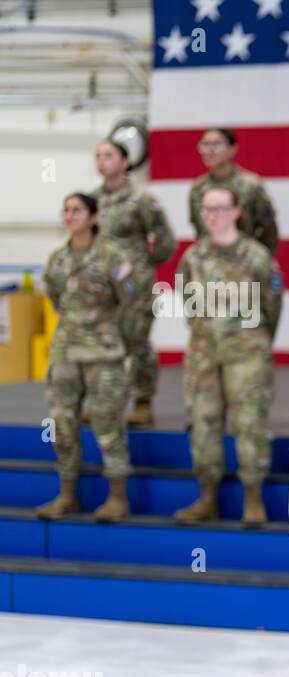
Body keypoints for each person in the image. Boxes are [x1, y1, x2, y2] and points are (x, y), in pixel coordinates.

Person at [173, 186, 283, 528]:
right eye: (207, 210)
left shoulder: (257, 256)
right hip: (204, 353)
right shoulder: (193, 257)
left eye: (220, 208)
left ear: (237, 211)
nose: (212, 216)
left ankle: (253, 498)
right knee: (203, 422)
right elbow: (187, 301)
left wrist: (253, 338)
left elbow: (272, 305)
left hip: (247, 355)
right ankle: (208, 496)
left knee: (250, 423)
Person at [35, 193, 135, 521]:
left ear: (93, 216)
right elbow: (55, 297)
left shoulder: (112, 257)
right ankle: (67, 495)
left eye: (77, 210)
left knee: (106, 422)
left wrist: (114, 335)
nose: (70, 215)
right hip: (65, 351)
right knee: (62, 423)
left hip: (104, 352)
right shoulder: (57, 260)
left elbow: (131, 301)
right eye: (66, 210)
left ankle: (117, 498)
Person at [90, 138, 176, 427]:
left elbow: (165, 238)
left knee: (136, 341)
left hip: (134, 285)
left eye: (109, 155)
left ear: (125, 162)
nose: (102, 160)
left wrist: (143, 265)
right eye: (99, 156)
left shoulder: (142, 199)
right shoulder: (92, 200)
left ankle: (142, 400)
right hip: (101, 285)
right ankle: (103, 400)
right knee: (103, 340)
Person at [188, 128, 282, 343]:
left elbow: (269, 231)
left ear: (233, 149)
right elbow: (199, 229)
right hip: (210, 271)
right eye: (205, 144)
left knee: (247, 336)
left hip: (244, 270)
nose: (209, 150)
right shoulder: (198, 189)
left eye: (216, 144)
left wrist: (256, 262)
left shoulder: (251, 185)